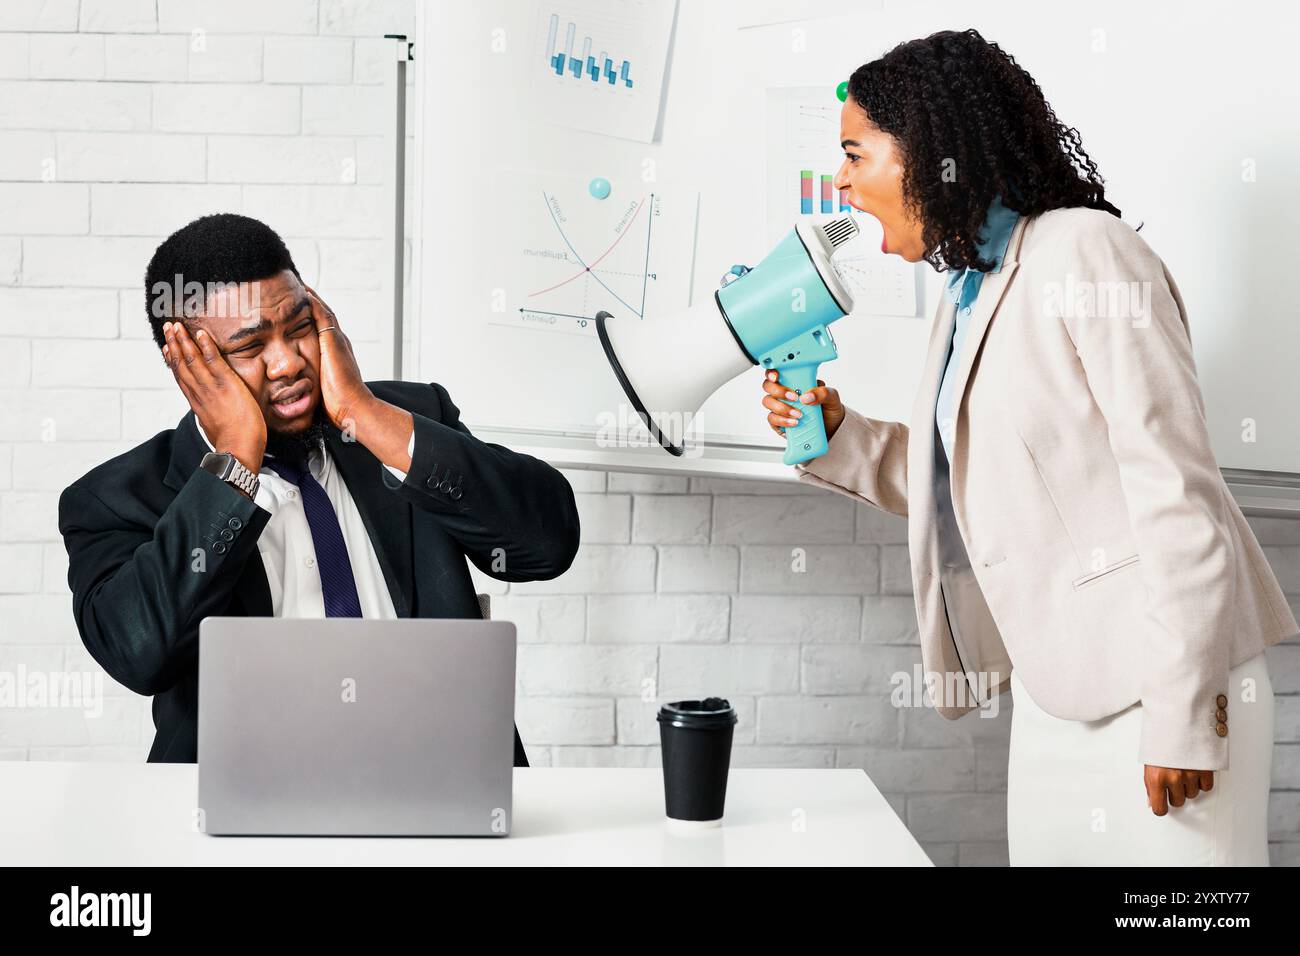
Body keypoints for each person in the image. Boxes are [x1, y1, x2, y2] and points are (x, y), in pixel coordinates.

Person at [761, 29, 1297, 865]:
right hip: (1059, 688)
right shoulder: (965, 292)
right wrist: (839, 436)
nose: (840, 180)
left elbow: (1176, 490)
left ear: (927, 151)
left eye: (856, 154)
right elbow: (979, 480)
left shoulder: (1088, 252)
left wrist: (1185, 714)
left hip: (1166, 680)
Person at [58, 213, 580, 765]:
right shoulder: (116, 497)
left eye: (299, 327)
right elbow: (140, 654)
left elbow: (546, 547)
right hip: (247, 794)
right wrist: (235, 459)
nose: (287, 362)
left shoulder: (408, 419)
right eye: (250, 346)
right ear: (188, 362)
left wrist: (366, 414)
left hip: (441, 773)